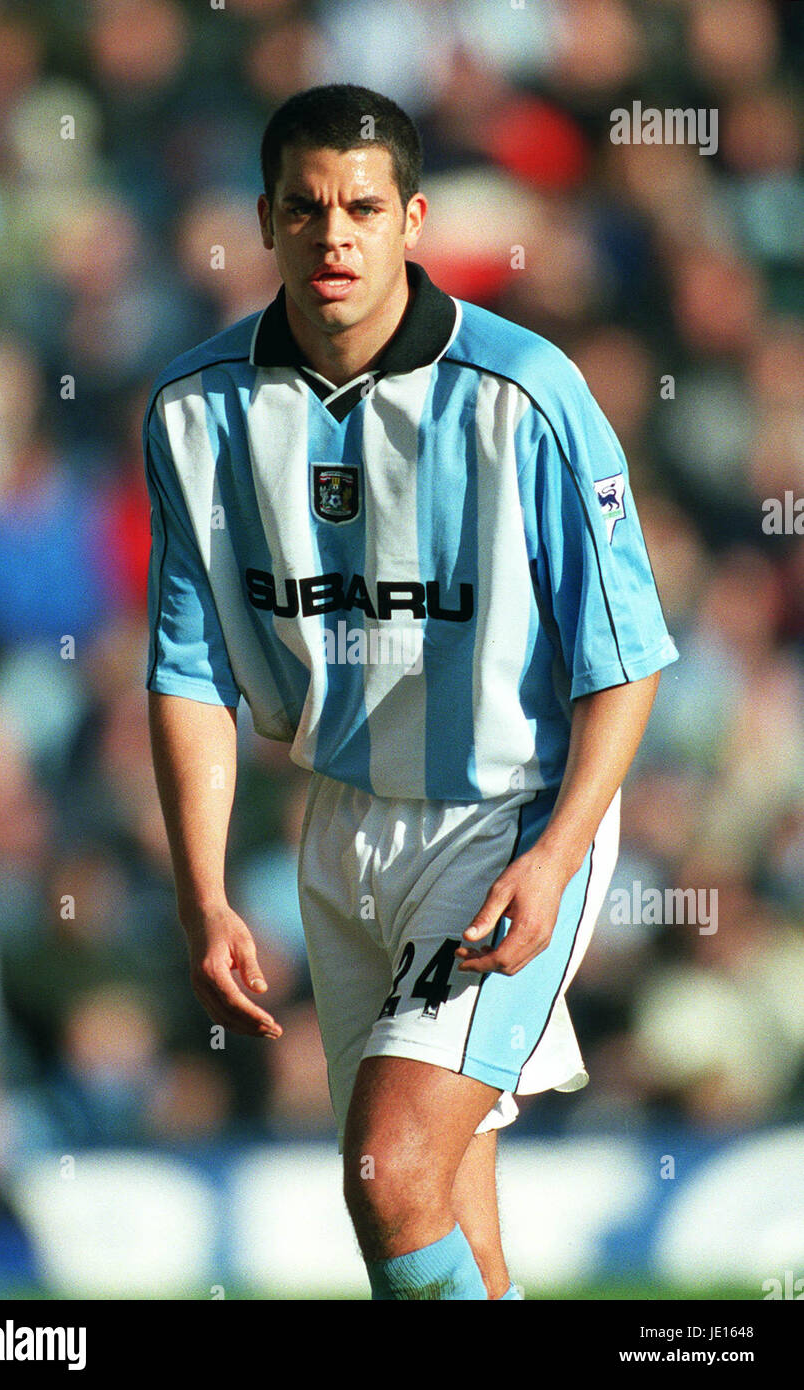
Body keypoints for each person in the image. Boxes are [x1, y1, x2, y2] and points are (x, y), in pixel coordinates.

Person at [143, 83, 678, 1300]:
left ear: (412, 219)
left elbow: (627, 660)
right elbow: (187, 672)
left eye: (363, 208)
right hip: (340, 829)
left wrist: (552, 860)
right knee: (440, 1221)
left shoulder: (527, 394)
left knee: (385, 1171)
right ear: (267, 220)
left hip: (505, 820)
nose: (335, 234)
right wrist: (202, 892)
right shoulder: (193, 408)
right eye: (307, 206)